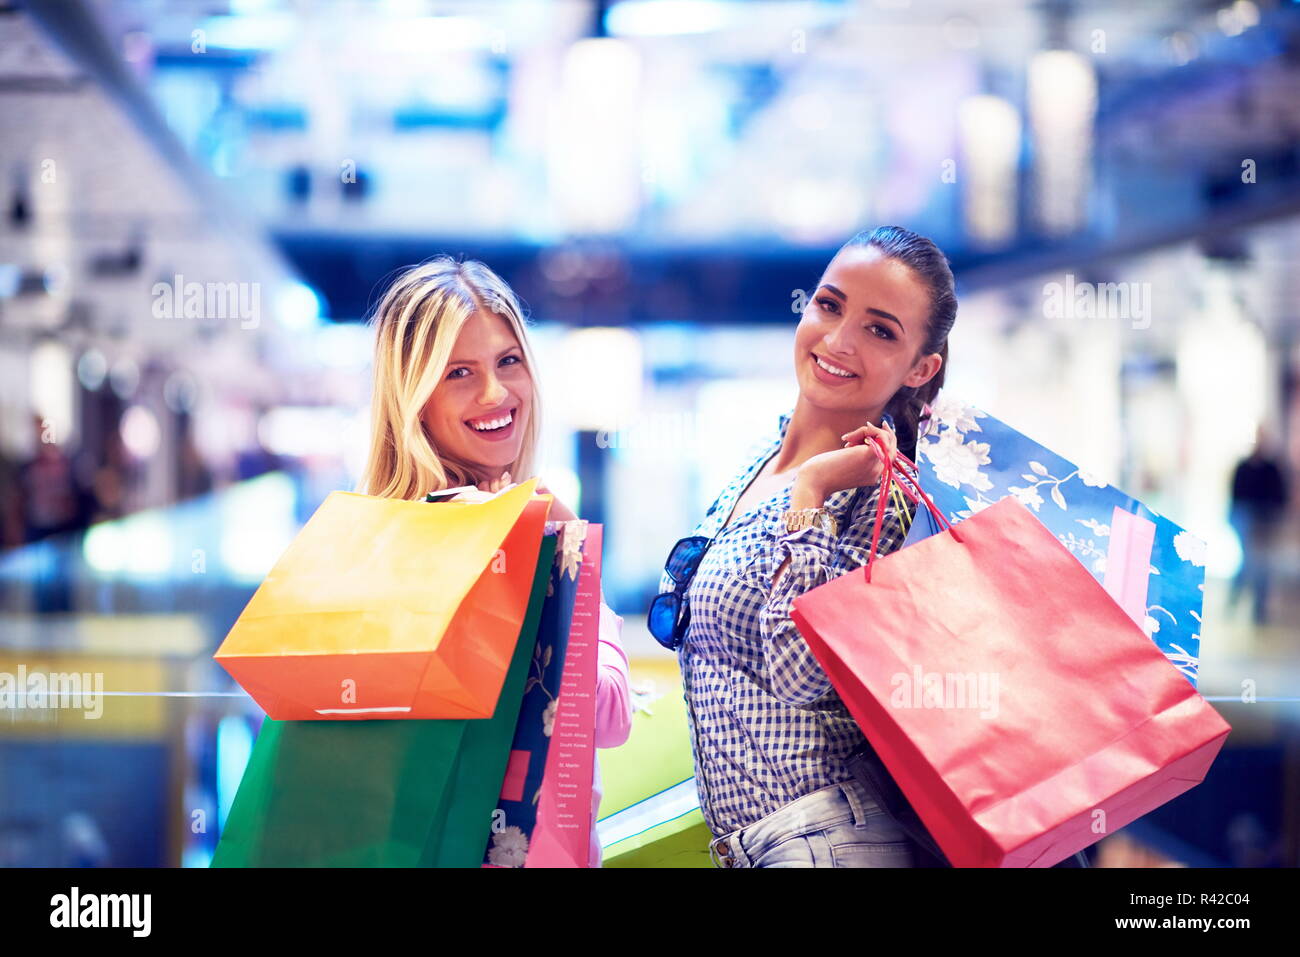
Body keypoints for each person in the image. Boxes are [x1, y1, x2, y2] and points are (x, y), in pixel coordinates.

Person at [650, 225, 954, 868]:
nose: (838, 340)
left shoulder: (886, 501)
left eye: (880, 330)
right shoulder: (761, 464)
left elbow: (802, 673)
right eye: (829, 304)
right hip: (762, 847)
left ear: (921, 367)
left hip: (829, 841)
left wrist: (814, 491)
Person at [354, 256, 632, 867]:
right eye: (458, 372)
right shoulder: (509, 536)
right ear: (414, 398)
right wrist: (572, 550)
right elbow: (607, 715)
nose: (496, 393)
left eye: (508, 361)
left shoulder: (370, 542)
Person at [1228, 426, 1290, 625]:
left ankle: (1258, 609)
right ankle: (1235, 598)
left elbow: (1280, 497)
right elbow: (1235, 497)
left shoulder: (1272, 469)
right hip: (1247, 519)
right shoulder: (1243, 466)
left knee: (1263, 566)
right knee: (1249, 563)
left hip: (1265, 522)